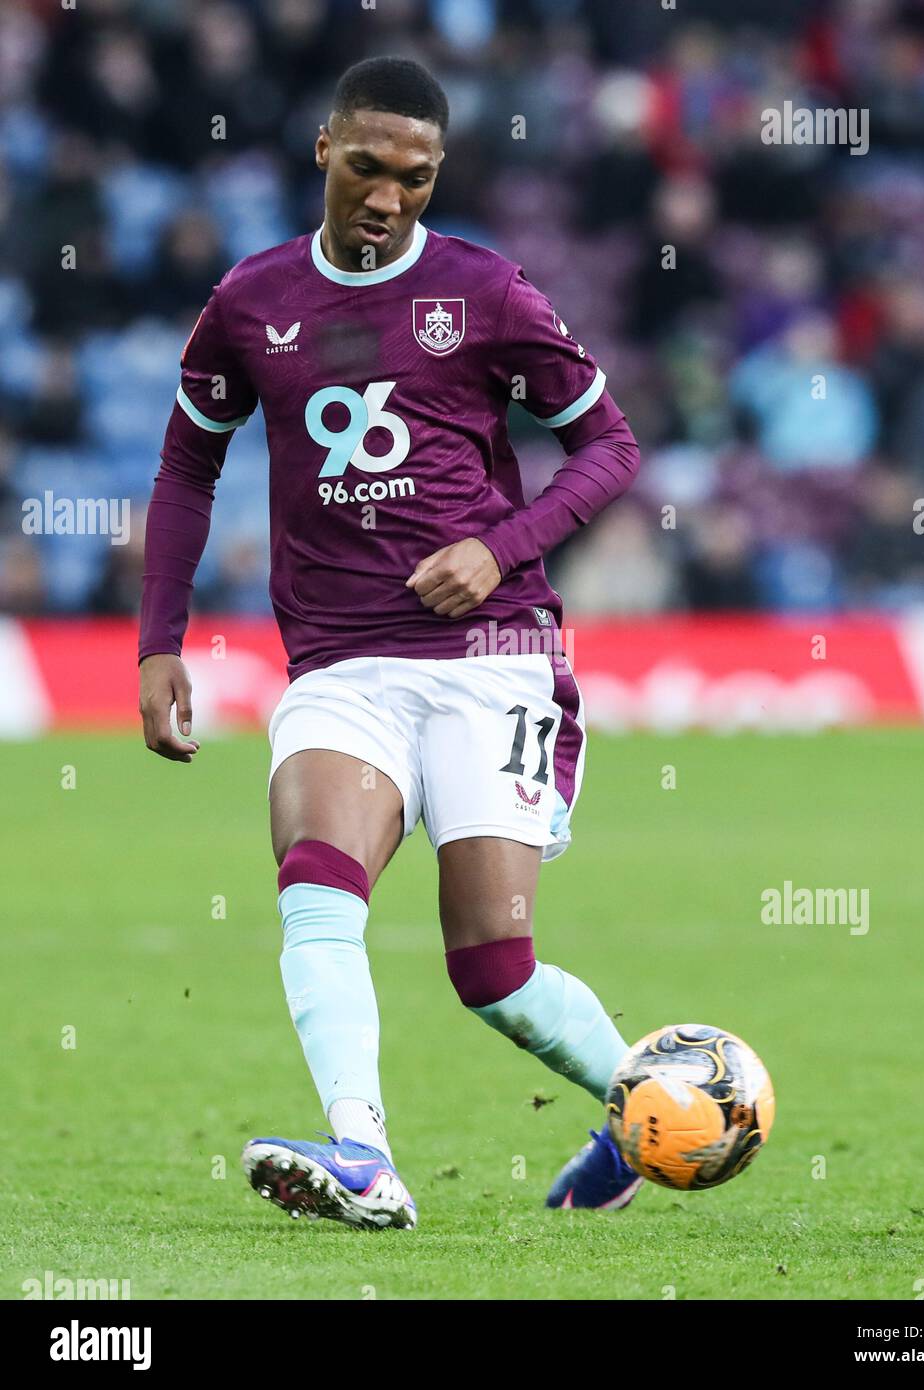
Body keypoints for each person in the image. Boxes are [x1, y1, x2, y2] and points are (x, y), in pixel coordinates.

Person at [138, 57, 642, 1230]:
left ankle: (638, 1105)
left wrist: (499, 548)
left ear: (436, 176)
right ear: (323, 149)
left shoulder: (489, 292)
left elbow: (609, 446)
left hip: (491, 656)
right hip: (342, 666)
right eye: (366, 166)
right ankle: (364, 1154)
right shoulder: (250, 302)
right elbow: (185, 466)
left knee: (493, 974)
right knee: (317, 890)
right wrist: (162, 637)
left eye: (414, 177)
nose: (386, 195)